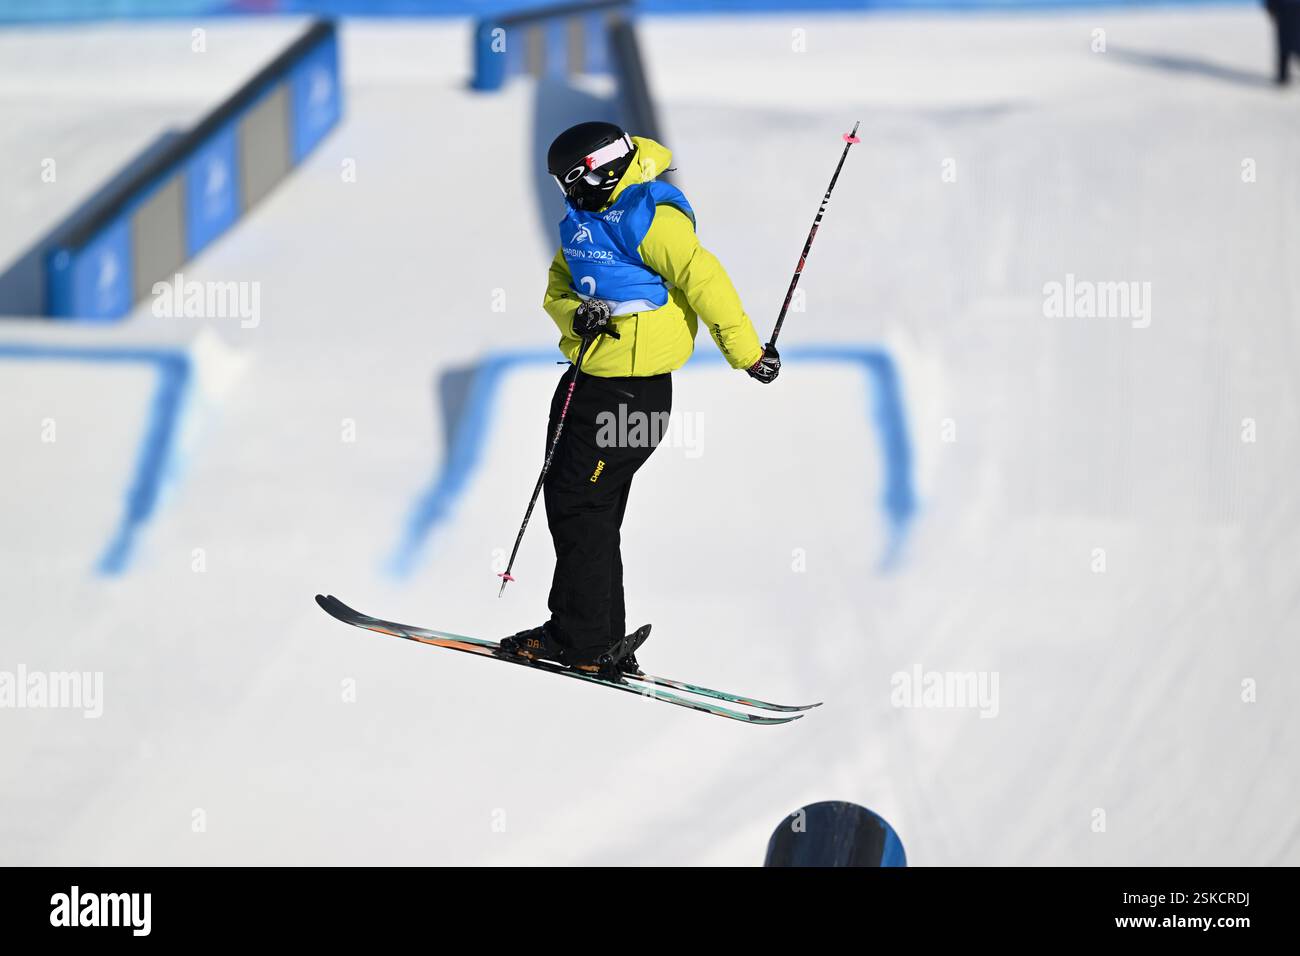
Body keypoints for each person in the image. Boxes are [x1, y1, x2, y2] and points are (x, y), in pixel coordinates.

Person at [498, 121, 780, 677]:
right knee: (580, 505)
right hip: (584, 380)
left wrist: (746, 352)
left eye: (574, 179)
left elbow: (706, 280)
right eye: (561, 184)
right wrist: (575, 315)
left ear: (601, 167)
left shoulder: (648, 215)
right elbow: (557, 290)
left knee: (584, 506)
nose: (569, 192)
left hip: (631, 396)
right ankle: (595, 633)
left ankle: (580, 639)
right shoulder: (579, 223)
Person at [1266, 0, 1300, 83]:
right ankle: (1282, 76)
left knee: (1293, 43)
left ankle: (1282, 76)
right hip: (1283, 9)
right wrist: (1271, 7)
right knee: (1284, 44)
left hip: (1293, 9)